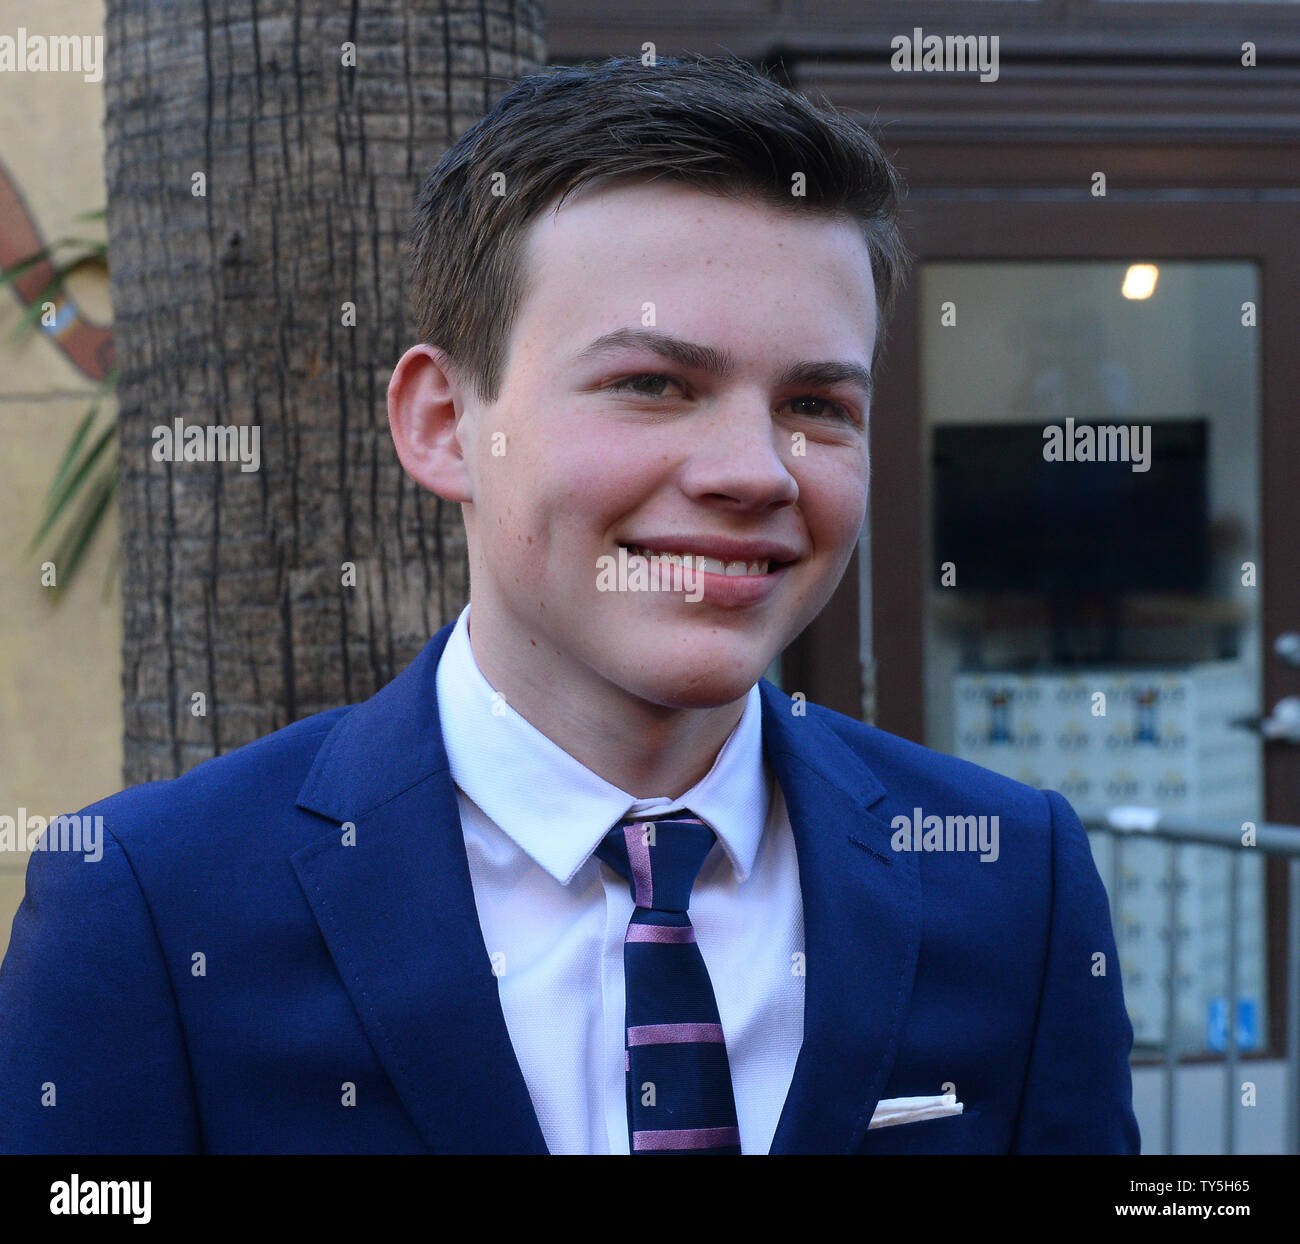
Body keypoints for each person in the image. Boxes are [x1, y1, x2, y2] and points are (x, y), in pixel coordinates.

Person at [0, 54, 1139, 1155]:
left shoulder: (1010, 881)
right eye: (652, 384)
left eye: (815, 402)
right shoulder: (154, 908)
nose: (755, 470)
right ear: (444, 422)